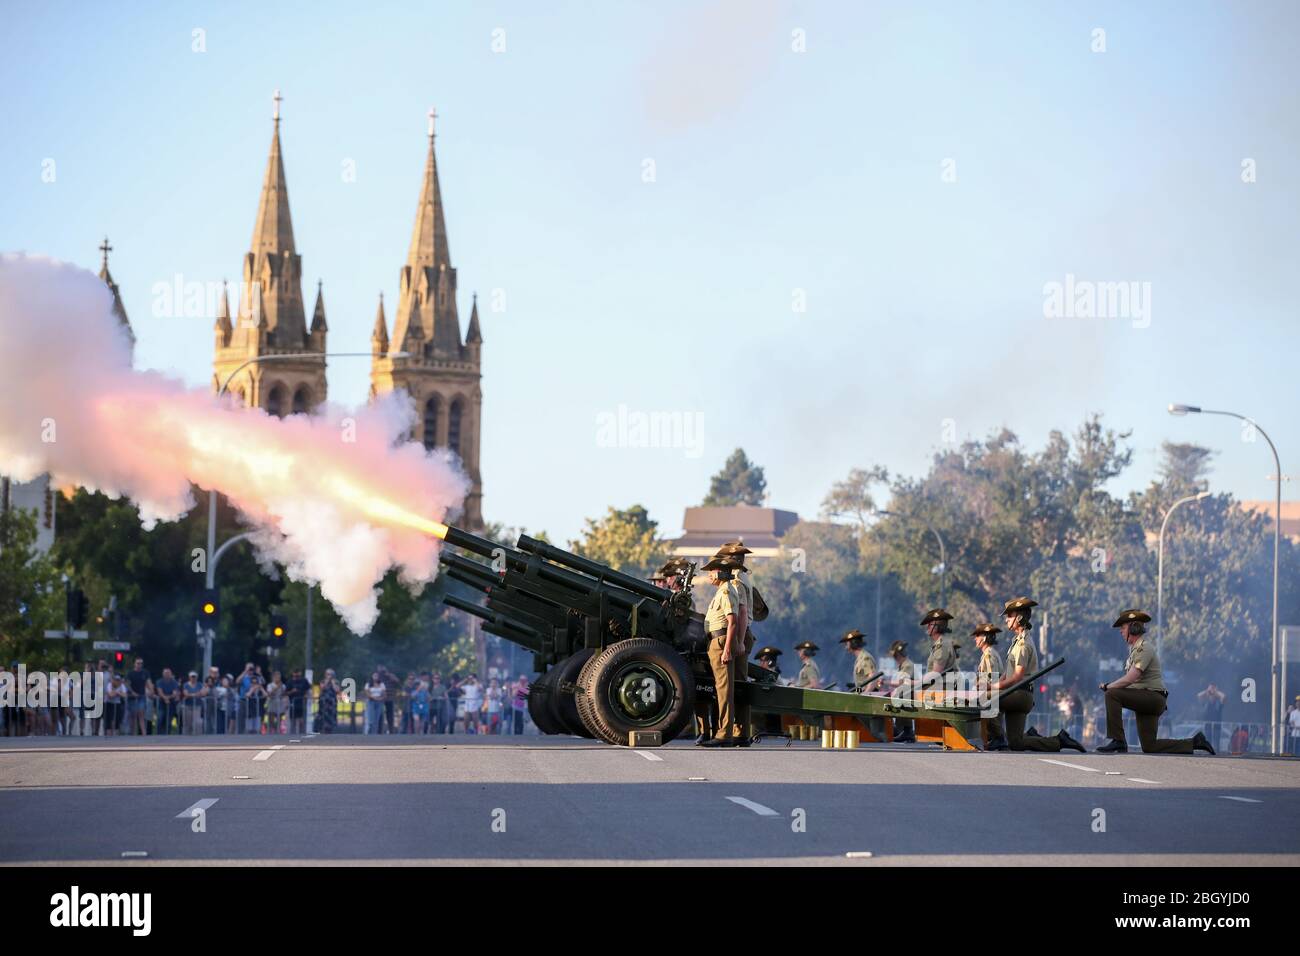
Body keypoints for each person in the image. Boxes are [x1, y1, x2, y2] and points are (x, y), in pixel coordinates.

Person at [1096, 609, 1214, 754]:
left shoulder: (1144, 648)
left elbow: (1131, 678)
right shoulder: (1134, 651)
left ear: (1134, 628)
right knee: (1149, 746)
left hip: (1152, 698)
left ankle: (1118, 741)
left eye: (1124, 627)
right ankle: (1195, 742)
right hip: (1147, 699)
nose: (1121, 631)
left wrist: (1109, 686)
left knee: (1111, 694)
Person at [992, 598, 1083, 752]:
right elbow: (1007, 674)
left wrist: (994, 688)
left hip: (1020, 694)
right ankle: (1059, 741)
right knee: (1016, 743)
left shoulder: (1023, 644)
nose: (1006, 619)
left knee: (989, 701)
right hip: (1016, 693)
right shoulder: (1016, 642)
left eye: (1009, 616)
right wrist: (996, 686)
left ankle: (997, 738)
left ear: (1019, 618)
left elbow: (1018, 676)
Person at [699, 555, 744, 747]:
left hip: (720, 642)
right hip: (715, 642)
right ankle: (722, 731)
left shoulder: (726, 592)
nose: (709, 575)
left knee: (724, 691)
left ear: (719, 572)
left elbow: (733, 622)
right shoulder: (721, 592)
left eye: (711, 571)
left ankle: (724, 734)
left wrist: (727, 650)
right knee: (720, 689)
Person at [971, 623, 1009, 751]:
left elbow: (990, 680)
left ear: (985, 638)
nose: (975, 639)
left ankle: (999, 738)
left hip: (993, 694)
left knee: (978, 703)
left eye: (977, 636)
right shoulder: (990, 653)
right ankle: (996, 738)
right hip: (995, 693)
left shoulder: (989, 655)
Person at [888, 640, 917, 743]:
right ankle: (901, 730)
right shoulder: (904, 665)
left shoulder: (907, 665)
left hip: (910, 696)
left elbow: (904, 682)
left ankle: (905, 731)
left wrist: (886, 682)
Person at [125, 658, 152, 736]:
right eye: (138, 663)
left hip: (141, 696)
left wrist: (151, 691)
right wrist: (132, 692)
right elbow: (127, 684)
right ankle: (132, 734)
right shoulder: (130, 673)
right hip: (132, 697)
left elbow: (148, 682)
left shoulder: (145, 673)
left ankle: (144, 734)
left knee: (141, 714)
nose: (139, 665)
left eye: (141, 663)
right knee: (133, 716)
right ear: (135, 664)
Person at [1197, 683, 1226, 751]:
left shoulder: (1218, 702)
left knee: (1216, 743)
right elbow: (1199, 695)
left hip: (1217, 725)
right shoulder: (1206, 702)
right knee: (1208, 741)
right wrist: (1208, 690)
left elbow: (1223, 696)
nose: (1211, 695)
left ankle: (1216, 755)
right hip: (1208, 725)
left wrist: (1215, 691)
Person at [155, 668, 180, 735]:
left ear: (171, 674)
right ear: (163, 674)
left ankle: (167, 734)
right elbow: (160, 692)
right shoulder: (159, 681)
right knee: (160, 719)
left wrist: (167, 698)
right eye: (165, 673)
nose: (167, 674)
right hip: (161, 704)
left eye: (168, 673)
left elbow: (175, 693)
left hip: (171, 704)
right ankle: (158, 734)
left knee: (169, 721)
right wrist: (165, 698)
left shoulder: (174, 682)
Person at [286, 669, 310, 735]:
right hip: (292, 703)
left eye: (297, 673)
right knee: (292, 720)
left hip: (301, 703)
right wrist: (292, 691)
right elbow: (286, 692)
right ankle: (292, 734)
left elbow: (308, 689)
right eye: (295, 673)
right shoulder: (290, 681)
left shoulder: (304, 681)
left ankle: (302, 733)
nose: (296, 675)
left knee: (301, 720)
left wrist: (306, 695)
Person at [317, 669, 339, 734]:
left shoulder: (335, 682)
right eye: (328, 674)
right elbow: (322, 688)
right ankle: (322, 729)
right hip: (323, 702)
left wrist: (332, 682)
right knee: (322, 715)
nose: (329, 676)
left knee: (332, 715)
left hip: (332, 702)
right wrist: (327, 682)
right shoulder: (323, 681)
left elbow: (337, 690)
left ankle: (330, 729)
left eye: (330, 674)